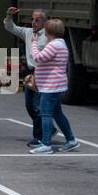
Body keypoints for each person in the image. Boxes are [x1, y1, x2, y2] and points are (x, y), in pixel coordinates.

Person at [27, 18, 79, 154]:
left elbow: (38, 58)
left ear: (48, 32)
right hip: (56, 85)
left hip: (50, 86)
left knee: (46, 114)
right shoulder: (61, 43)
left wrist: (33, 43)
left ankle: (46, 144)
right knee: (57, 113)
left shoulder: (54, 45)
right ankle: (71, 140)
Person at [4, 6, 52, 148]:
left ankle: (39, 136)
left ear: (46, 21)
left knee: (37, 106)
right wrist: (9, 15)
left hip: (42, 73)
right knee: (29, 106)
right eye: (32, 19)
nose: (34, 22)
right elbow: (10, 27)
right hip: (30, 73)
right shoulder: (28, 32)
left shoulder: (49, 35)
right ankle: (50, 129)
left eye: (38, 20)